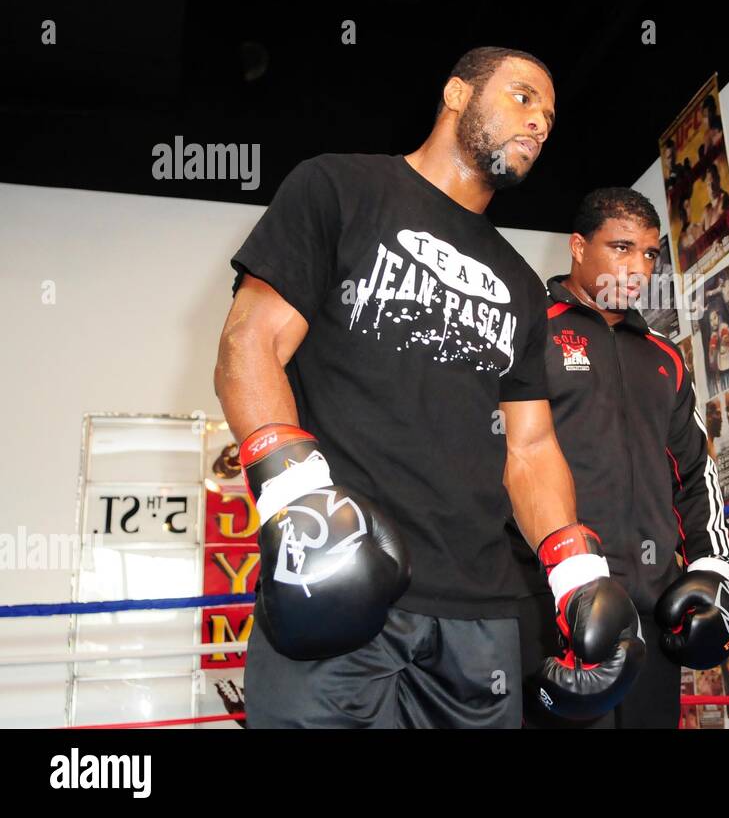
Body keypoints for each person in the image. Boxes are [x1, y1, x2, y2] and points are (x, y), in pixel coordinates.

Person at [214, 46, 640, 728]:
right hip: (339, 587)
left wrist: (575, 572)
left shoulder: (522, 287)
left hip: (479, 621)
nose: (539, 123)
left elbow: (529, 448)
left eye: (550, 117)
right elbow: (249, 343)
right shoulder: (338, 189)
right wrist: (298, 500)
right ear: (454, 95)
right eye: (524, 97)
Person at [512, 187, 729, 728]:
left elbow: (696, 474)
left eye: (650, 254)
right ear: (577, 246)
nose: (637, 268)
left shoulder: (664, 357)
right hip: (553, 601)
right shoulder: (529, 329)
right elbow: (500, 453)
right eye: (620, 248)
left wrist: (713, 568)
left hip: (650, 610)